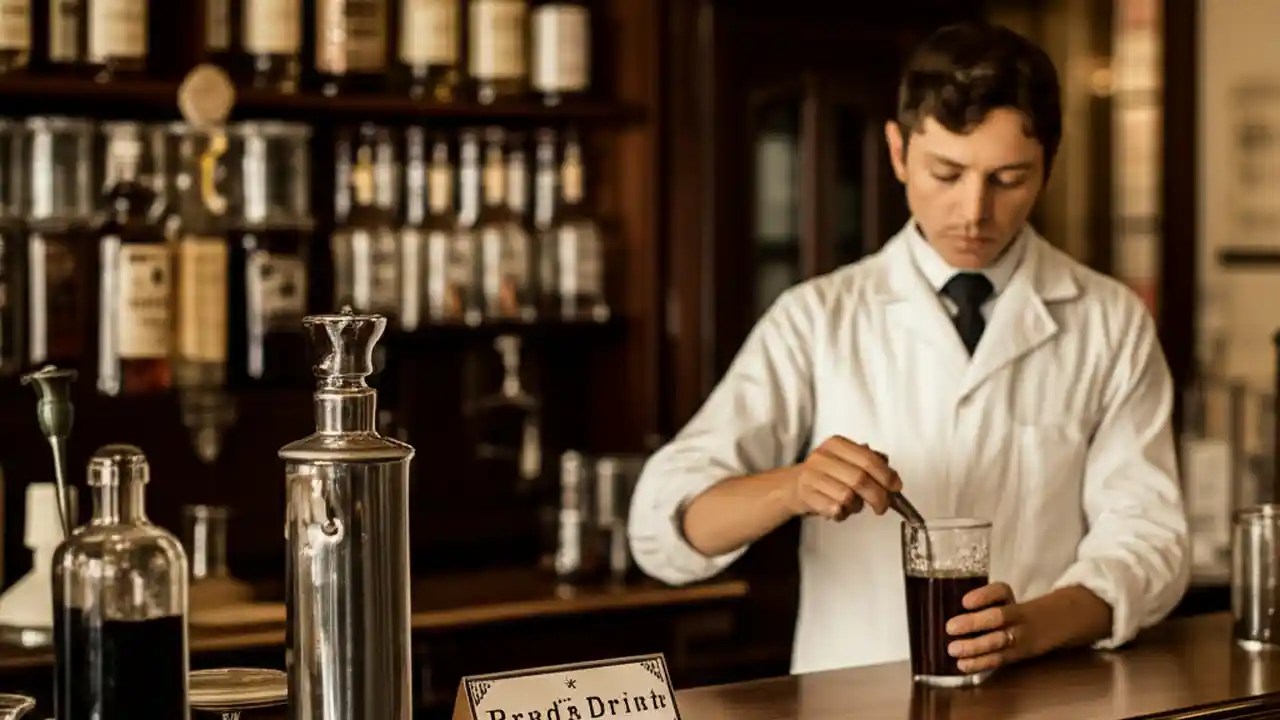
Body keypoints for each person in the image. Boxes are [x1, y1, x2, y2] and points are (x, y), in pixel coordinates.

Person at [627, 21, 1190, 676]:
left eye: (1008, 178)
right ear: (898, 152)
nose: (974, 211)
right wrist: (792, 487)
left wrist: (1033, 627)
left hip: (1045, 693)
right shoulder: (816, 318)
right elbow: (663, 525)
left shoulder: (1110, 321)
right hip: (853, 698)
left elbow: (1150, 541)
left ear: (1050, 165)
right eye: (946, 173)